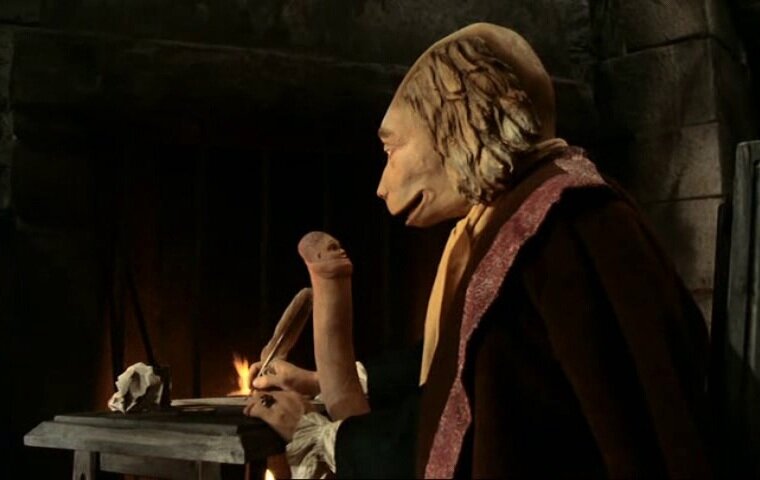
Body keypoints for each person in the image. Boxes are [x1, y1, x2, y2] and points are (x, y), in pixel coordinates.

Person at [244, 22, 712, 479]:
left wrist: (324, 437)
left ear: (455, 120)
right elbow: (467, 363)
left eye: (392, 149)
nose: (382, 186)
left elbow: (472, 429)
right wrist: (333, 382)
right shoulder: (523, 213)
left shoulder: (554, 230)